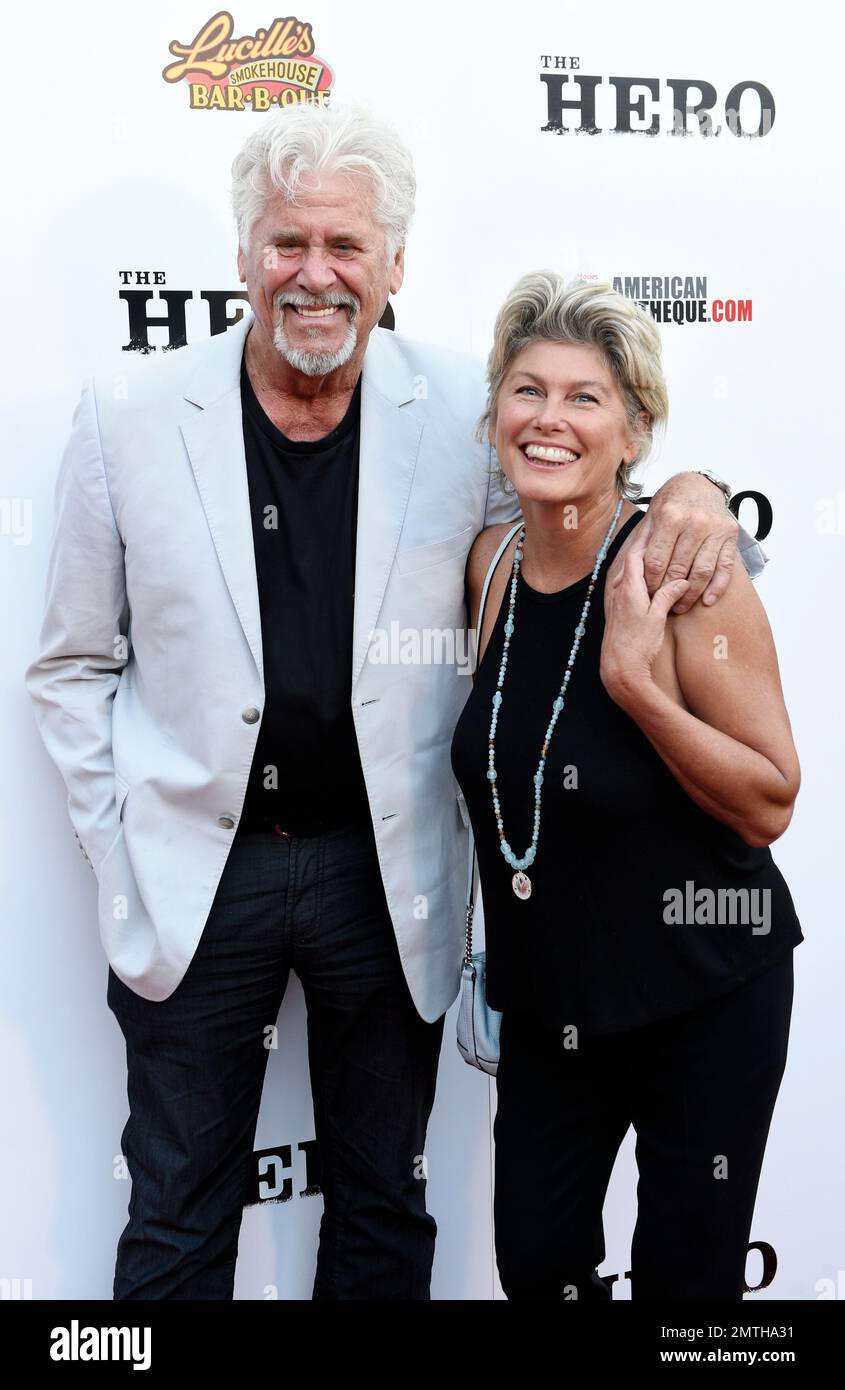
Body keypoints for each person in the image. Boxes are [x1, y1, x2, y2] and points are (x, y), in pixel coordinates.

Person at [25, 103, 763, 1301]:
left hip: (389, 872)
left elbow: (580, 482)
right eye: (286, 243)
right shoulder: (129, 418)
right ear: (242, 256)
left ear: (394, 266)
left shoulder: (459, 416)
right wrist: (119, 847)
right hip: (193, 879)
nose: (314, 276)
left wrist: (695, 483)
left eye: (347, 248)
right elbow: (68, 663)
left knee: (382, 1207)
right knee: (172, 1210)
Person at [451, 271, 803, 1301]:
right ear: (493, 413)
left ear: (633, 432)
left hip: (704, 992)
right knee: (539, 1264)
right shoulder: (487, 565)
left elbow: (771, 796)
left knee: (686, 1287)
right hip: (553, 1005)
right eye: (526, 390)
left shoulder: (686, 575)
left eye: (583, 397)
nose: (546, 418)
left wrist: (639, 691)